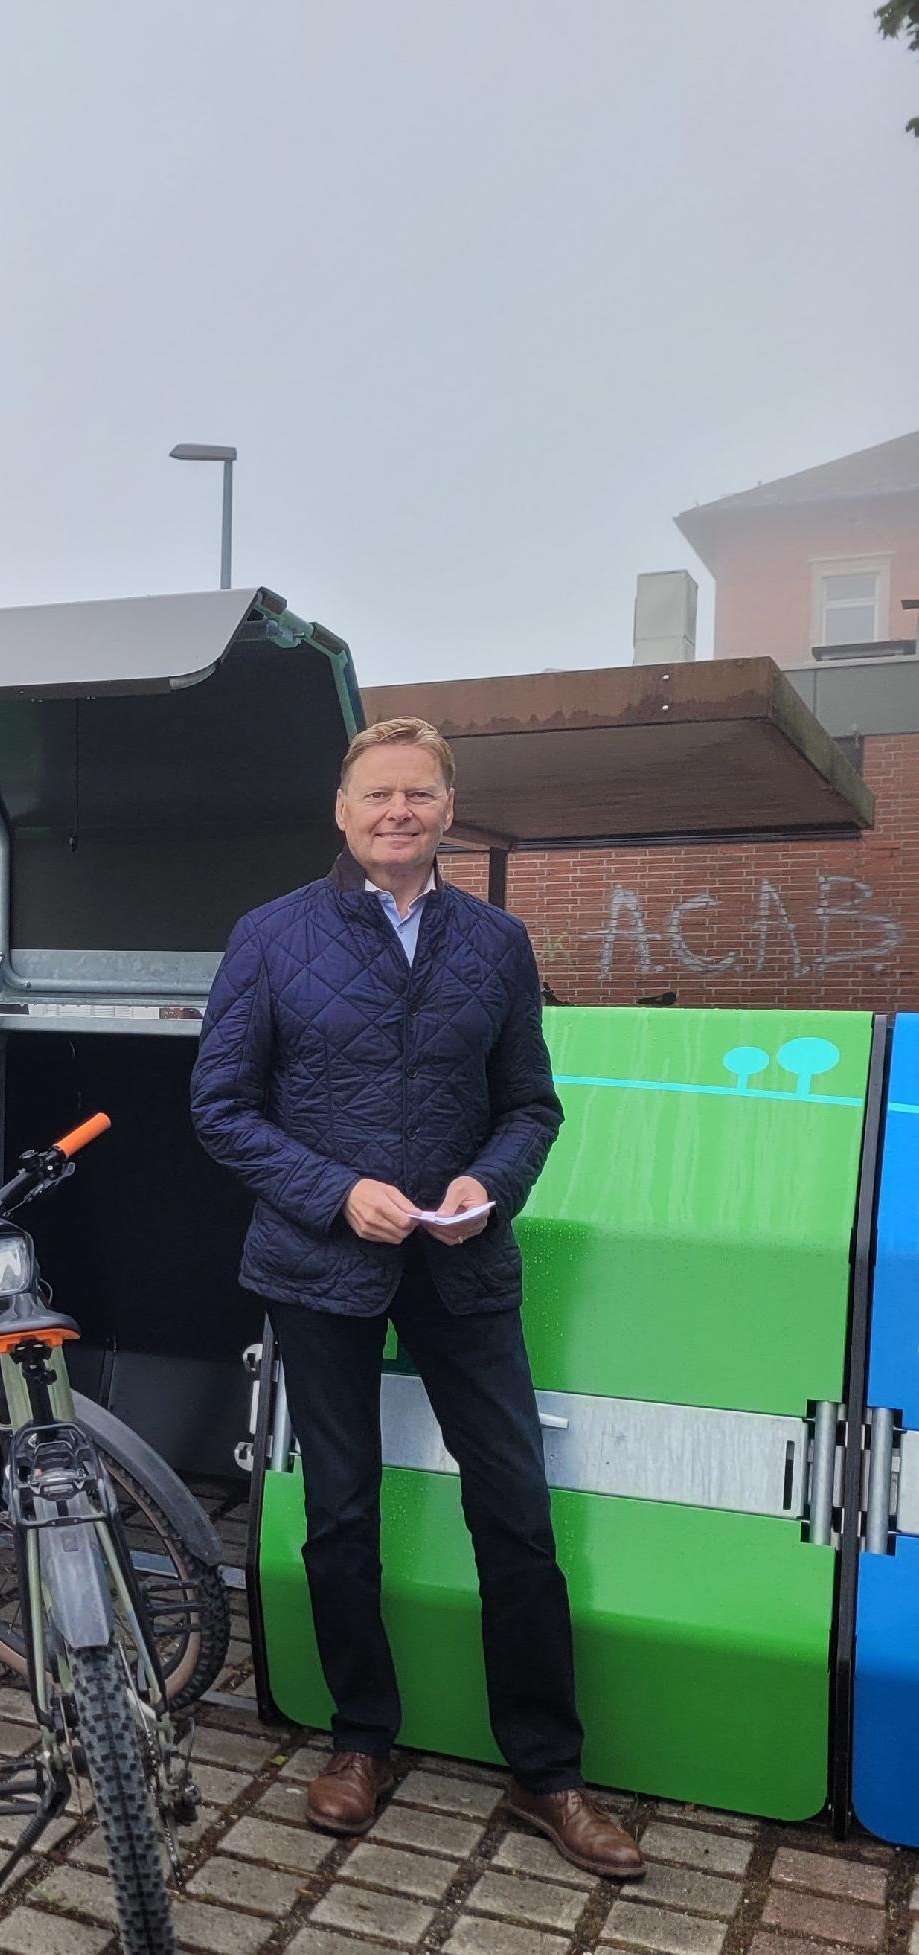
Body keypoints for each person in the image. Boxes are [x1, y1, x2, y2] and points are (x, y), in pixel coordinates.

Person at [191, 715, 642, 1880]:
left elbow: (531, 1105)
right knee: (339, 1512)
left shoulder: (495, 943)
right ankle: (358, 1740)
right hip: (319, 1266)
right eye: (378, 793)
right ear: (343, 812)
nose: (399, 811)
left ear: (449, 810)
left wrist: (489, 1184)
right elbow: (222, 1108)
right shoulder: (270, 936)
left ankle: (547, 1773)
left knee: (517, 1513)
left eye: (421, 794)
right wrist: (338, 1193)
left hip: (463, 1264)